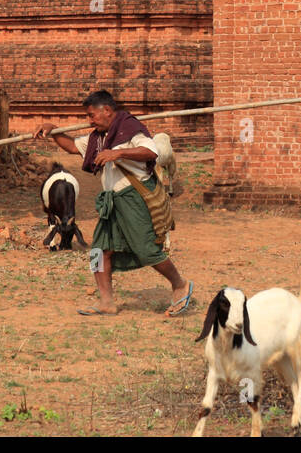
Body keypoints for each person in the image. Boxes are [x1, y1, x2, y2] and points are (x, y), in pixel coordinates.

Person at [37, 90, 193, 316]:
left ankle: (180, 284)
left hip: (135, 197)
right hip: (112, 201)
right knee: (98, 251)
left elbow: (151, 151)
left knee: (147, 249)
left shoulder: (130, 128)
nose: (89, 120)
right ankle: (106, 302)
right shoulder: (99, 137)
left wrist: (117, 154)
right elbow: (72, 146)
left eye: (92, 115)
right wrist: (52, 130)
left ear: (107, 110)